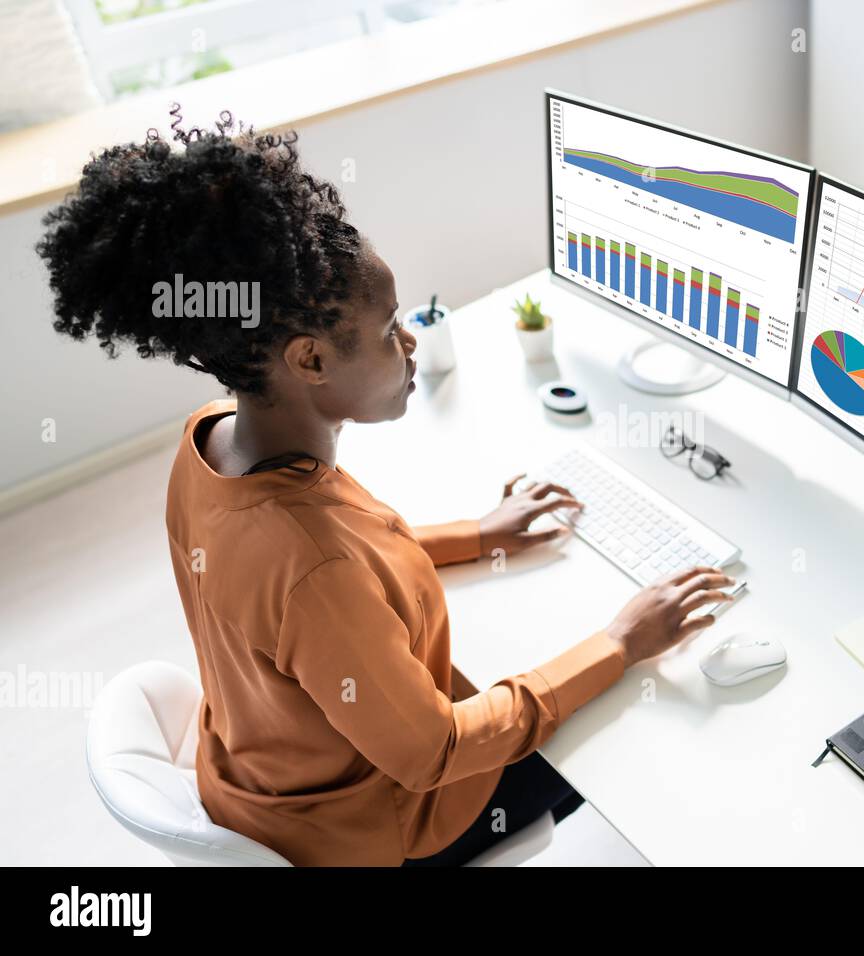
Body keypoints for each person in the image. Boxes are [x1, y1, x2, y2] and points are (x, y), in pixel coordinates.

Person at [37, 111, 733, 866]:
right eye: (389, 329)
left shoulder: (209, 439)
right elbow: (433, 752)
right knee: (626, 720)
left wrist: (479, 534)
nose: (407, 345)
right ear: (308, 361)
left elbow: (333, 578)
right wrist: (621, 642)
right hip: (380, 826)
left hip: (260, 774)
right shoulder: (309, 564)